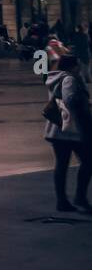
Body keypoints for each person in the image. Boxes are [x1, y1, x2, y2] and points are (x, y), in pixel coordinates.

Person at [45, 54, 91, 212]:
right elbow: (69, 99)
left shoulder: (55, 77)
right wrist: (83, 100)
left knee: (62, 165)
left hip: (56, 130)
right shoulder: (69, 79)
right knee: (88, 160)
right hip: (70, 129)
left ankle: (62, 200)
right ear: (72, 66)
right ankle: (79, 197)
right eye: (77, 65)